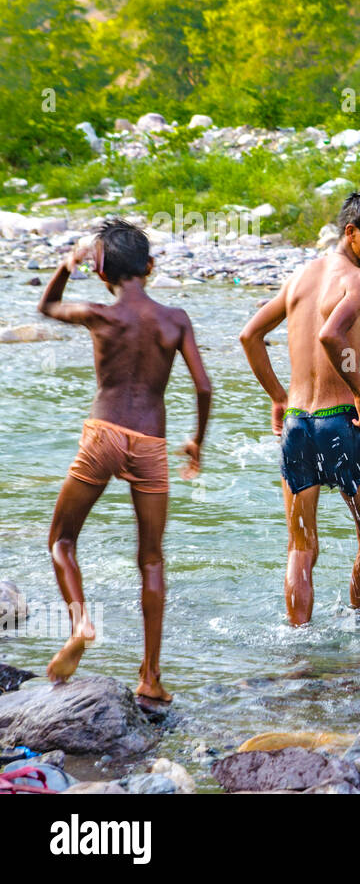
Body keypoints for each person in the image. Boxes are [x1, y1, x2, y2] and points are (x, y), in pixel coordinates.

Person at [37, 219, 211, 706]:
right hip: (150, 445)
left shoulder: (99, 314)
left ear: (102, 272)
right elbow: (203, 386)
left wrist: (66, 264)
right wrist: (195, 440)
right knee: (151, 559)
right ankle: (151, 677)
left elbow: (46, 307)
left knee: (62, 540)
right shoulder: (176, 319)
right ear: (150, 267)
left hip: (103, 436)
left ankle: (80, 623)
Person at [240, 191, 360, 625]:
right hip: (338, 425)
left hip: (297, 426)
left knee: (301, 546)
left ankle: (298, 648)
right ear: (351, 231)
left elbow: (249, 336)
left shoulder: (301, 278)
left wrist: (277, 397)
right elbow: (331, 335)